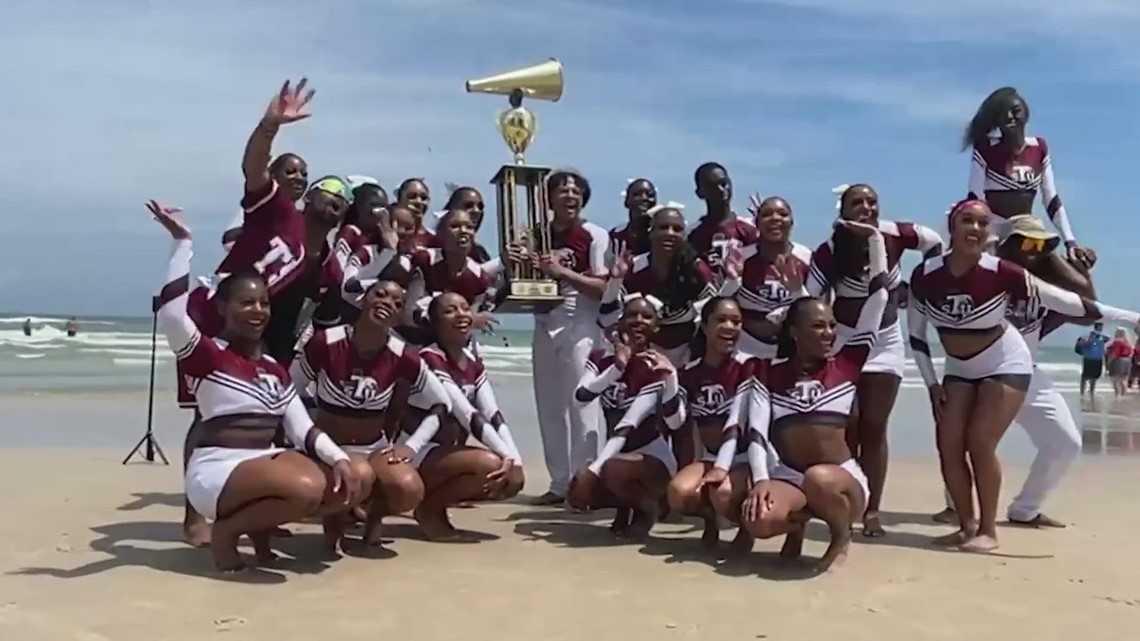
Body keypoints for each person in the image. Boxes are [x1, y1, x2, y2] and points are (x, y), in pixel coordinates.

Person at [908, 199, 1140, 552]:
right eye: (966, 221)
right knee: (948, 444)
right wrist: (930, 382)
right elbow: (916, 334)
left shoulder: (1008, 274)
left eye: (982, 223)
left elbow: (1073, 303)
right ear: (952, 227)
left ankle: (992, 528)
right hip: (959, 369)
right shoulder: (927, 275)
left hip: (1008, 364)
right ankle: (964, 523)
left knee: (980, 442)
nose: (974, 228)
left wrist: (1132, 318)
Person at [180, 79, 352, 548]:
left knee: (267, 418)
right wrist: (270, 125)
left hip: (266, 338)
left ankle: (256, 506)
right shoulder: (276, 212)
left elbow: (325, 315)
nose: (299, 178)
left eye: (341, 200)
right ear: (306, 196)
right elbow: (252, 166)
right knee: (209, 415)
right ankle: (194, 512)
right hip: (216, 319)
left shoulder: (329, 263)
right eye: (295, 174)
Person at [147, 200, 361, 572]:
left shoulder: (274, 369)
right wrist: (183, 243)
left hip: (259, 467)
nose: (258, 310)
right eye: (246, 303)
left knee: (347, 480)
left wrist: (341, 460)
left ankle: (258, 529)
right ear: (222, 310)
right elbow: (171, 314)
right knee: (306, 483)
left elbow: (303, 429)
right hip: (216, 473)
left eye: (263, 303)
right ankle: (228, 530)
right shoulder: (208, 355)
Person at [738, 219, 886, 573]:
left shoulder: (848, 363)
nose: (829, 333)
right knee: (759, 520)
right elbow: (757, 433)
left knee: (820, 477)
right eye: (819, 326)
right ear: (795, 332)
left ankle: (840, 539)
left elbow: (879, 297)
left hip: (841, 482)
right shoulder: (769, 373)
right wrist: (761, 483)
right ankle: (796, 525)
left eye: (832, 326)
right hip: (790, 476)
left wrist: (876, 241)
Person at [804, 183, 943, 537]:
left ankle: (873, 511)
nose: (866, 207)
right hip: (845, 343)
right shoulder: (830, 251)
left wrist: (921, 284)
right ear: (843, 211)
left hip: (885, 343)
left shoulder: (895, 235)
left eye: (872, 201)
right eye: (857, 202)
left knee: (875, 427)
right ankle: (849, 501)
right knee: (847, 424)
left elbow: (935, 243)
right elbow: (810, 298)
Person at [288, 279, 452, 551]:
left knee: (409, 489)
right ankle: (334, 521)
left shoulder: (402, 355)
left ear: (399, 317)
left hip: (375, 447)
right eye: (380, 294)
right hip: (331, 448)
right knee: (359, 474)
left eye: (397, 303)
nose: (387, 303)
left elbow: (442, 404)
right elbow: (288, 392)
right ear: (364, 300)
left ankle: (374, 516)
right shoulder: (326, 342)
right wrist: (305, 437)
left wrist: (412, 445)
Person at [505, 169, 609, 505]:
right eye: (562, 190)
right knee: (549, 408)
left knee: (582, 407)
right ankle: (559, 484)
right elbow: (517, 281)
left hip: (580, 323)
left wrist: (561, 271)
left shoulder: (595, 235)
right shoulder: (536, 235)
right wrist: (515, 263)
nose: (569, 195)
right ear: (547, 198)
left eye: (576, 191)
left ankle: (584, 485)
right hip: (543, 321)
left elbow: (602, 288)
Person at [567, 296, 685, 538]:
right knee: (578, 493)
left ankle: (648, 508)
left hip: (653, 459)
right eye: (632, 315)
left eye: (647, 317)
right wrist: (617, 368)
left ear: (657, 326)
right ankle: (623, 508)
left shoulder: (656, 366)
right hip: (616, 456)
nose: (638, 321)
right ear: (620, 321)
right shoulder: (601, 359)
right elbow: (580, 397)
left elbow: (631, 425)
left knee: (606, 470)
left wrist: (670, 379)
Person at [409, 292, 525, 539]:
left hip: (446, 454)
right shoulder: (429, 358)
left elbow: (492, 414)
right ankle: (429, 509)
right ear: (435, 323)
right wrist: (504, 456)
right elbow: (467, 414)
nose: (461, 315)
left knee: (513, 478)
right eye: (450, 311)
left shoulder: (472, 361)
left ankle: (434, 503)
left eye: (465, 307)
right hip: (416, 452)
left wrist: (515, 459)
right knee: (491, 466)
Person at [964, 87, 1096, 292]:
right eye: (1002, 113)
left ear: (1026, 113)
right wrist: (985, 240)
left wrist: (1071, 242)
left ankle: (1039, 325)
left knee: (1083, 289)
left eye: (1015, 110)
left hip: (1031, 233)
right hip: (999, 234)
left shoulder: (1039, 147)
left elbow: (1051, 200)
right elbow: (974, 199)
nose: (1010, 116)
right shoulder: (986, 148)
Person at [666, 297, 762, 552]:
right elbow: (678, 424)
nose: (730, 326)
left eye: (736, 321)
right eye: (721, 320)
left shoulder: (750, 367)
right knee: (677, 492)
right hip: (710, 456)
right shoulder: (689, 372)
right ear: (705, 326)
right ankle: (710, 520)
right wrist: (668, 384)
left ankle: (746, 526)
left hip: (745, 459)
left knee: (723, 493)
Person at [600, 203, 718, 366]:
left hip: (686, 355)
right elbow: (606, 317)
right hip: (639, 354)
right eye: (663, 227)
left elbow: (713, 315)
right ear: (651, 231)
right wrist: (615, 280)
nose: (670, 233)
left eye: (677, 229)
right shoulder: (633, 267)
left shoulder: (696, 270)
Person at [720, 195, 812, 359]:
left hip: (792, 353)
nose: (775, 218)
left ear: (792, 222)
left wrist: (797, 291)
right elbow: (720, 304)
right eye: (767, 214)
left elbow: (815, 312)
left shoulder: (807, 258)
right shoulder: (741, 258)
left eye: (783, 214)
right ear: (756, 222)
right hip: (744, 351)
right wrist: (733, 280)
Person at [687, 162, 758, 276]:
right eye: (712, 186)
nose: (721, 189)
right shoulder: (691, 235)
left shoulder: (750, 229)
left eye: (724, 183)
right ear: (700, 193)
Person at [609, 178, 657, 258]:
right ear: (626, 202)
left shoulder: (662, 236)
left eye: (650, 195)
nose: (644, 198)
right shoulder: (614, 237)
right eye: (636, 194)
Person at [1077, 322, 1109, 409]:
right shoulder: (1088, 336)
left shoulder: (1103, 338)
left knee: (1094, 377)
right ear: (1095, 327)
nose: (1100, 330)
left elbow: (1108, 341)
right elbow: (1080, 344)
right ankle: (1082, 393)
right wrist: (1087, 342)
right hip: (1088, 358)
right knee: (1085, 376)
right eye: (1098, 328)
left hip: (1098, 359)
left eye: (1101, 328)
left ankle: (1091, 391)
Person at [395, 178, 435, 248]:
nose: (419, 202)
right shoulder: (386, 235)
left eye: (423, 198)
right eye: (412, 196)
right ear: (399, 200)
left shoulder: (433, 240)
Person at [1107, 328, 1133, 401]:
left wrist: (1109, 361)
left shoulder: (1117, 342)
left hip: (1119, 361)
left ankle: (1118, 396)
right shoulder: (1128, 343)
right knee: (1123, 379)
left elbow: (1115, 353)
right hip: (1127, 361)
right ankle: (1123, 395)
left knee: (1116, 379)